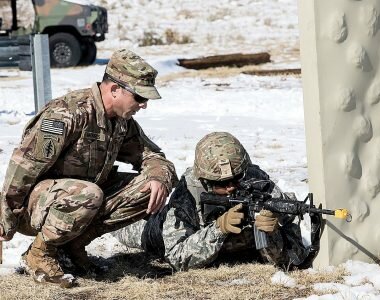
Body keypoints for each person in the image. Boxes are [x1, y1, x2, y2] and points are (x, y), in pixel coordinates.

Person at [0, 49, 178, 287]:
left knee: (149, 187)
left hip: (77, 202)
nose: (143, 105)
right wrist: (5, 220)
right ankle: (41, 253)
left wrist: (158, 176)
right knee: (90, 193)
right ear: (115, 89)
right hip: (35, 207)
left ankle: (73, 245)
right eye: (139, 97)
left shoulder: (121, 122)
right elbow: (24, 167)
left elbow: (153, 155)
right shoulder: (67, 113)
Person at [115, 132, 322, 271]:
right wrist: (218, 229)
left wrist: (272, 232)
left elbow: (293, 257)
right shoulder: (189, 191)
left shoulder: (258, 182)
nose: (231, 187)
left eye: (236, 179)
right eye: (220, 184)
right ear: (204, 180)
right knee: (128, 230)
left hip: (233, 246)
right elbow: (176, 257)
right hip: (163, 230)